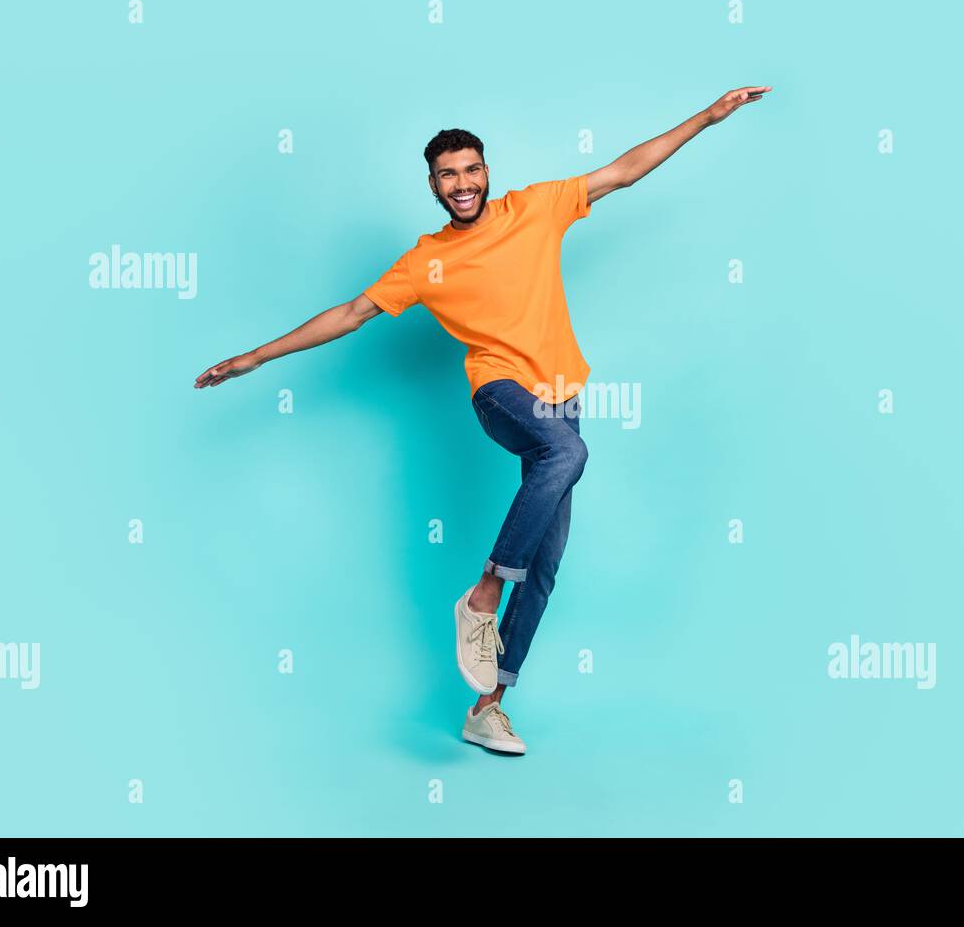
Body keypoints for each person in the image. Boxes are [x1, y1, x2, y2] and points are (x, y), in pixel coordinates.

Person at [194, 86, 772, 754]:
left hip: (561, 397)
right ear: (434, 185)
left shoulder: (535, 209)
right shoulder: (425, 261)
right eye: (448, 175)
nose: (462, 184)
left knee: (549, 562)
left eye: (471, 170)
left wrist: (708, 116)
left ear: (487, 173)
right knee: (566, 456)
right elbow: (352, 313)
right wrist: (256, 357)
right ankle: (484, 592)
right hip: (499, 392)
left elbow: (622, 170)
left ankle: (488, 706)